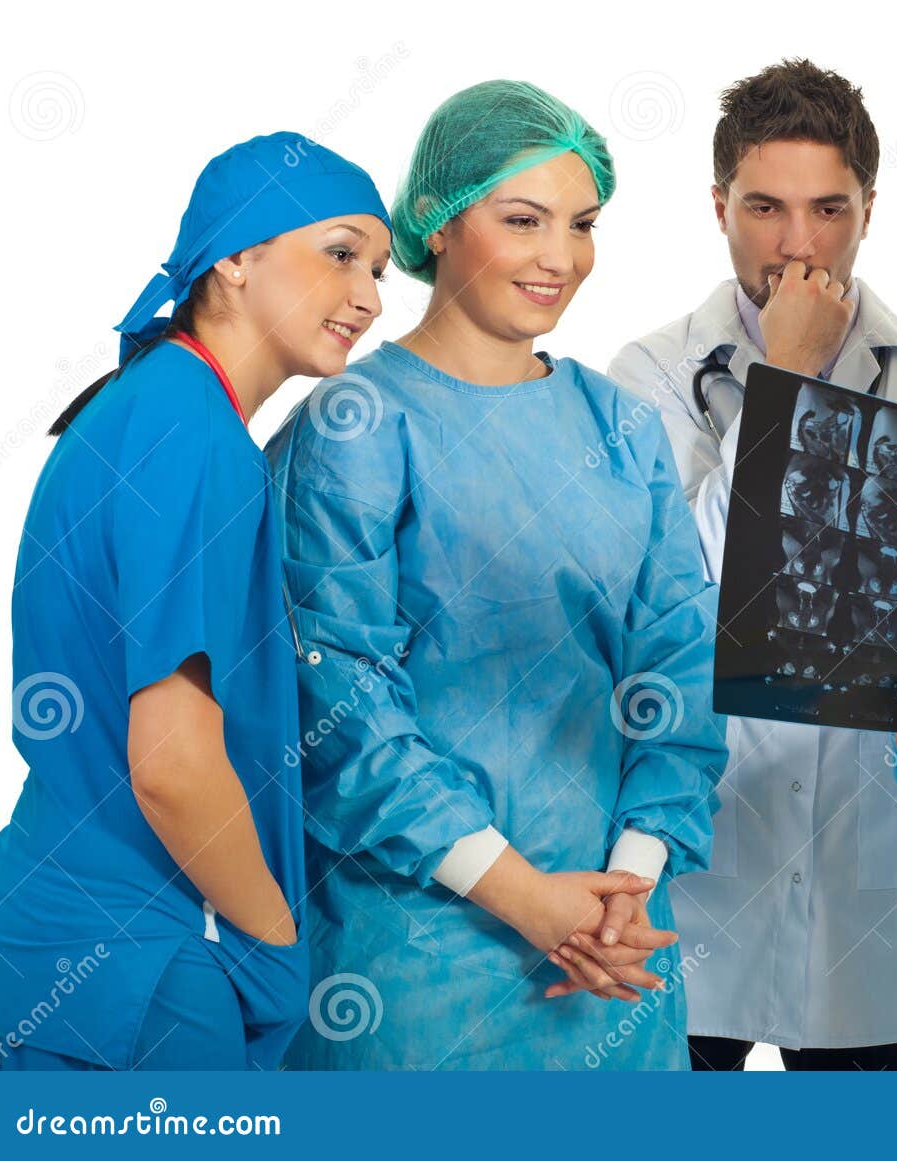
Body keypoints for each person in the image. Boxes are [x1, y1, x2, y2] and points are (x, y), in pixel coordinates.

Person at [268, 80, 726, 1071]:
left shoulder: (621, 430)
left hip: (615, 960)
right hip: (420, 963)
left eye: (582, 224)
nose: (559, 257)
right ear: (434, 224)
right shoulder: (358, 427)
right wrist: (524, 895)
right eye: (522, 220)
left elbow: (682, 672)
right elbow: (337, 704)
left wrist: (627, 887)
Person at [608, 59, 897, 1070]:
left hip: (872, 866)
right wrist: (785, 377)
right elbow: (696, 593)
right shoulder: (643, 378)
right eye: (766, 207)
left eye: (828, 209)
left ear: (869, 209)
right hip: (696, 868)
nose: (797, 244)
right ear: (719, 206)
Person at [0, 133, 391, 1070]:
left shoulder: (152, 404)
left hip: (69, 949)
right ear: (237, 255)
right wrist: (274, 944)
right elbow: (172, 763)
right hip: (149, 976)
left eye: (379, 270)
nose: (370, 298)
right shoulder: (193, 432)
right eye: (340, 254)